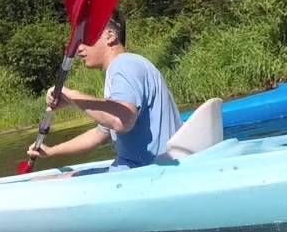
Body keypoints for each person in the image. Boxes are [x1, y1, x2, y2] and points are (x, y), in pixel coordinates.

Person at [26, 10, 181, 171]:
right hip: (142, 169)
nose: (78, 48)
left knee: (51, 183)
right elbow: (100, 134)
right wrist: (51, 151)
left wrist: (73, 95)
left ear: (110, 36)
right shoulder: (125, 67)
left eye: (85, 39)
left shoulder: (124, 65)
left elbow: (121, 121)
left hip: (147, 173)